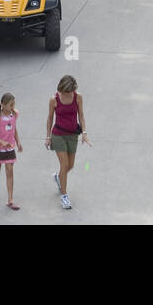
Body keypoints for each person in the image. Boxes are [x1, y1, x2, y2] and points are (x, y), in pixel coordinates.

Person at [46, 75, 87, 211]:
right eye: (63, 91)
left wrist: (85, 133)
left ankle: (58, 177)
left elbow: (81, 115)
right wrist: (48, 137)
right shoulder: (54, 99)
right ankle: (64, 196)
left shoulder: (78, 97)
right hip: (58, 135)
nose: (65, 94)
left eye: (68, 92)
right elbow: (50, 118)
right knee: (64, 165)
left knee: (70, 166)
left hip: (72, 135)